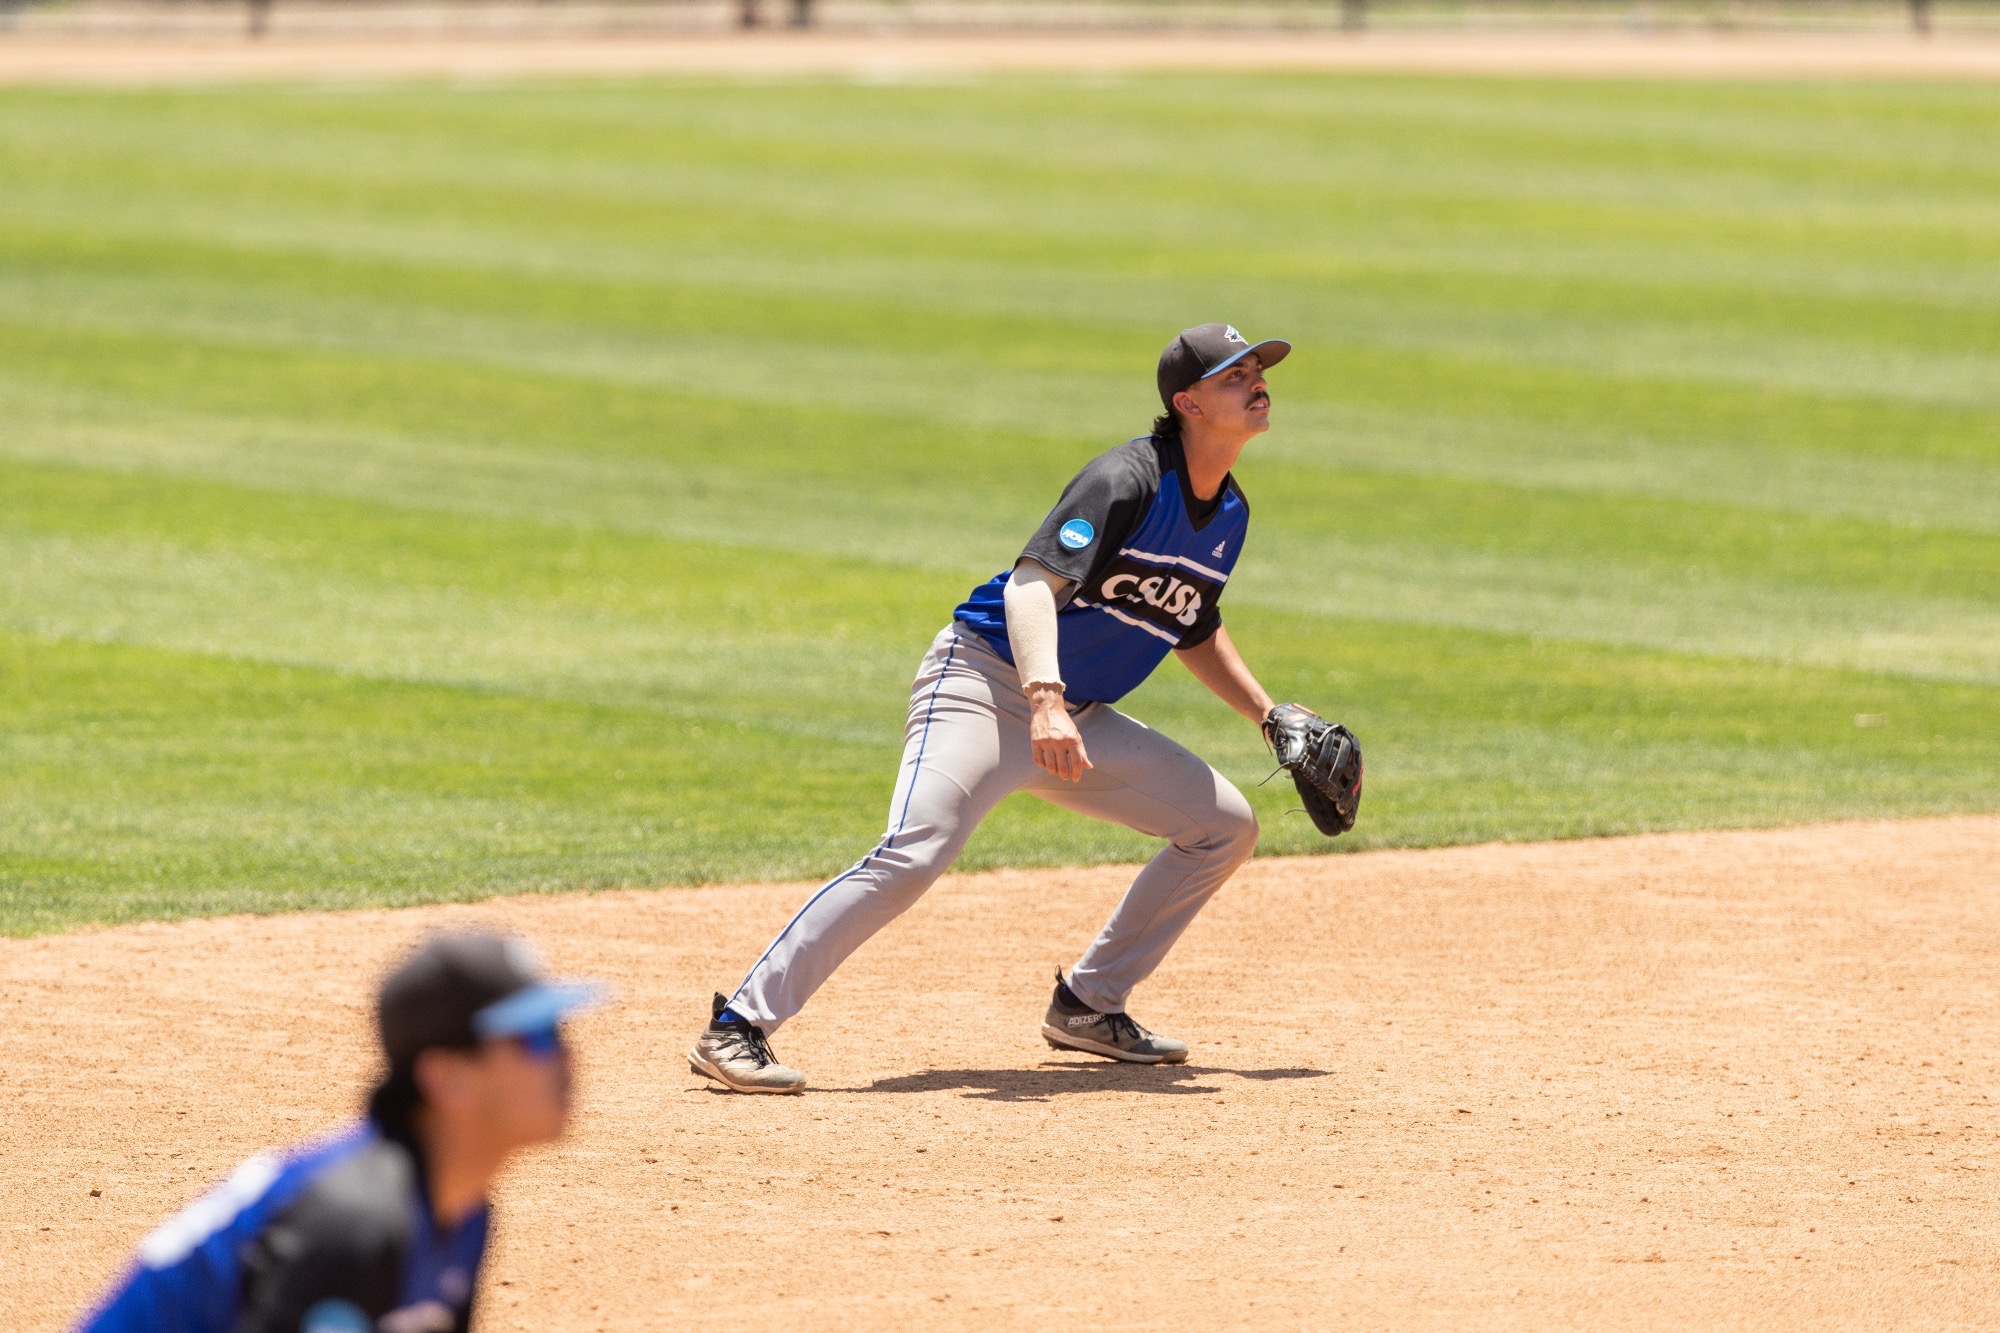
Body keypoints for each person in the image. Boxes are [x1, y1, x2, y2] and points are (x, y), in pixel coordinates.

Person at [691, 323, 1312, 1094]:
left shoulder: (1229, 515)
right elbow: (1028, 587)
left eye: (1257, 368)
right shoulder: (1126, 479)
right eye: (1233, 375)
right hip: (983, 685)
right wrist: (1044, 698)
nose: (1256, 380)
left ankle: (1089, 1003)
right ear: (1187, 402)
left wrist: (1266, 714)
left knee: (1225, 826)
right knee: (913, 852)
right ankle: (737, 1025)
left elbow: (1191, 624)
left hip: (1073, 718)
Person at [77, 929, 605, 1333]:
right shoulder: (353, 1225)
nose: (565, 1057)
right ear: (446, 1078)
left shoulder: (461, 1209)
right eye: (535, 1038)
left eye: (559, 1030)